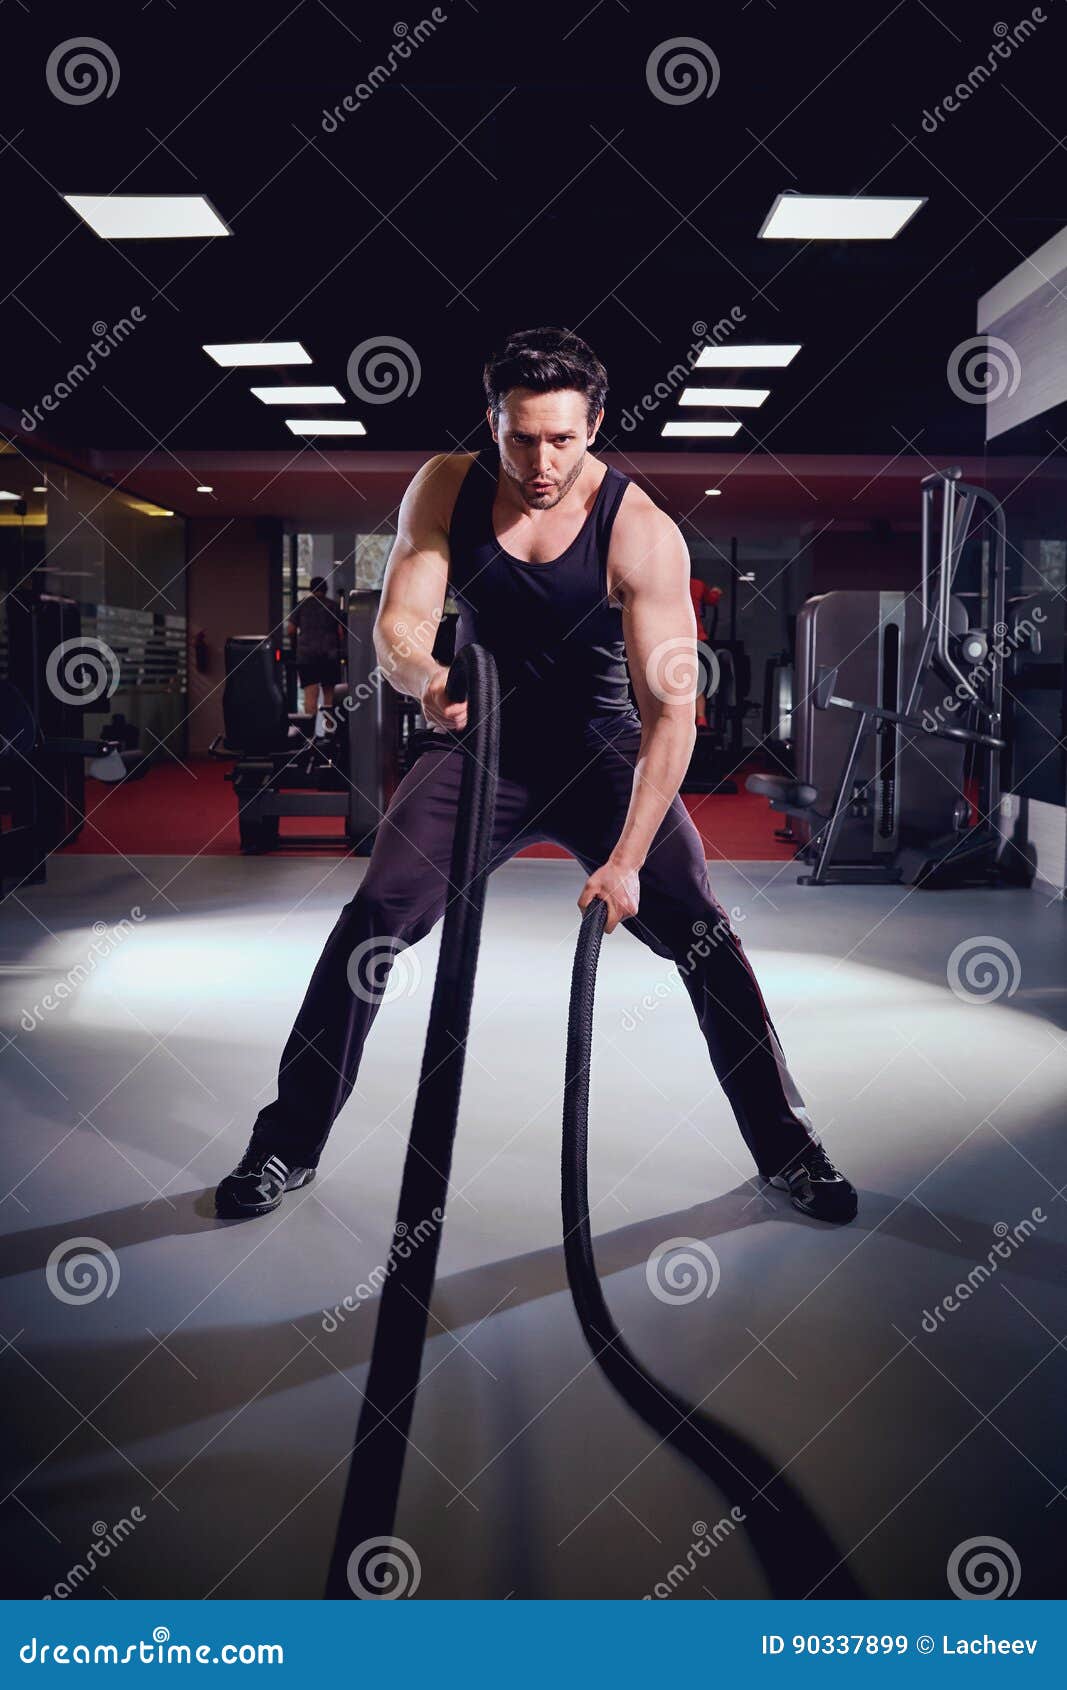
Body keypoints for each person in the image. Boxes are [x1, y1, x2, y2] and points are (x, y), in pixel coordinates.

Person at [216, 328, 857, 1225]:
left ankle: (786, 1144)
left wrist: (629, 859)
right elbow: (398, 630)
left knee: (703, 935)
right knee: (371, 923)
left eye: (560, 438)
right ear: (493, 424)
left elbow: (670, 715)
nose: (540, 459)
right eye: (520, 437)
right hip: (474, 742)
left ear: (594, 425)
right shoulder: (447, 485)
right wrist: (428, 680)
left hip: (601, 753)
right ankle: (285, 1143)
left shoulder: (639, 530)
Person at [288, 575, 344, 723]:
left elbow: (290, 630)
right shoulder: (333, 606)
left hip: (307, 656)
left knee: (310, 697)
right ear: (325, 589)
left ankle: (310, 736)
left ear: (311, 589)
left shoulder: (301, 605)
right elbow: (340, 632)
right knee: (329, 698)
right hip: (329, 656)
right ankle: (329, 734)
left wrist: (296, 644)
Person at [689, 577, 722, 730]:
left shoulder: (668, 582)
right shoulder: (697, 584)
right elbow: (712, 599)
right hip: (697, 638)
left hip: (675, 638)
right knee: (696, 682)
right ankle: (701, 718)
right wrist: (716, 591)